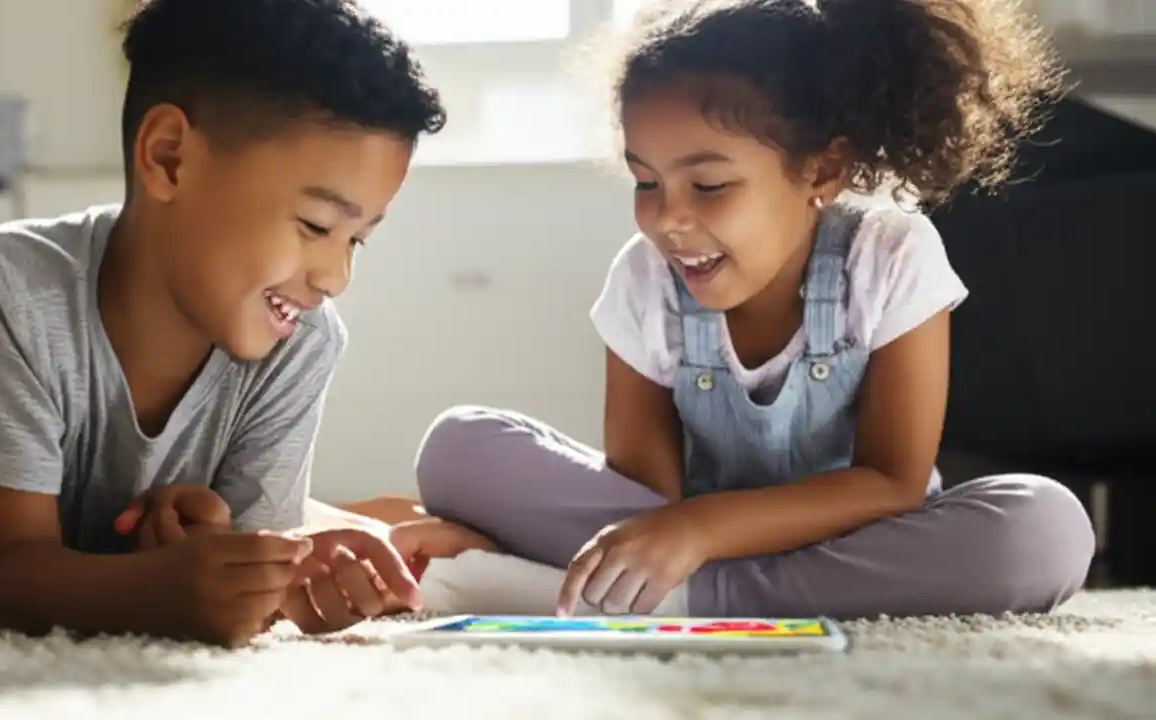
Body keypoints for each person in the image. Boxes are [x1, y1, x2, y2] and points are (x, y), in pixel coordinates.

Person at [406, 0, 1096, 619]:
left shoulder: (890, 253)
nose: (667, 219)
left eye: (708, 184)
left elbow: (892, 483)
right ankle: (652, 584)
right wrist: (673, 530)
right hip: (681, 527)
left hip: (860, 534)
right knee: (457, 446)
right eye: (647, 180)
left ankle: (683, 597)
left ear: (823, 172)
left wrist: (700, 533)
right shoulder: (644, 281)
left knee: (1047, 528)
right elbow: (642, 498)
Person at [0, 0, 446, 647]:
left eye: (356, 240)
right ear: (170, 157)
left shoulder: (304, 342)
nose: (335, 276)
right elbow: (11, 579)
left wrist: (269, 570)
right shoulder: (5, 285)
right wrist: (164, 587)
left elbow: (251, 552)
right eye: (316, 226)